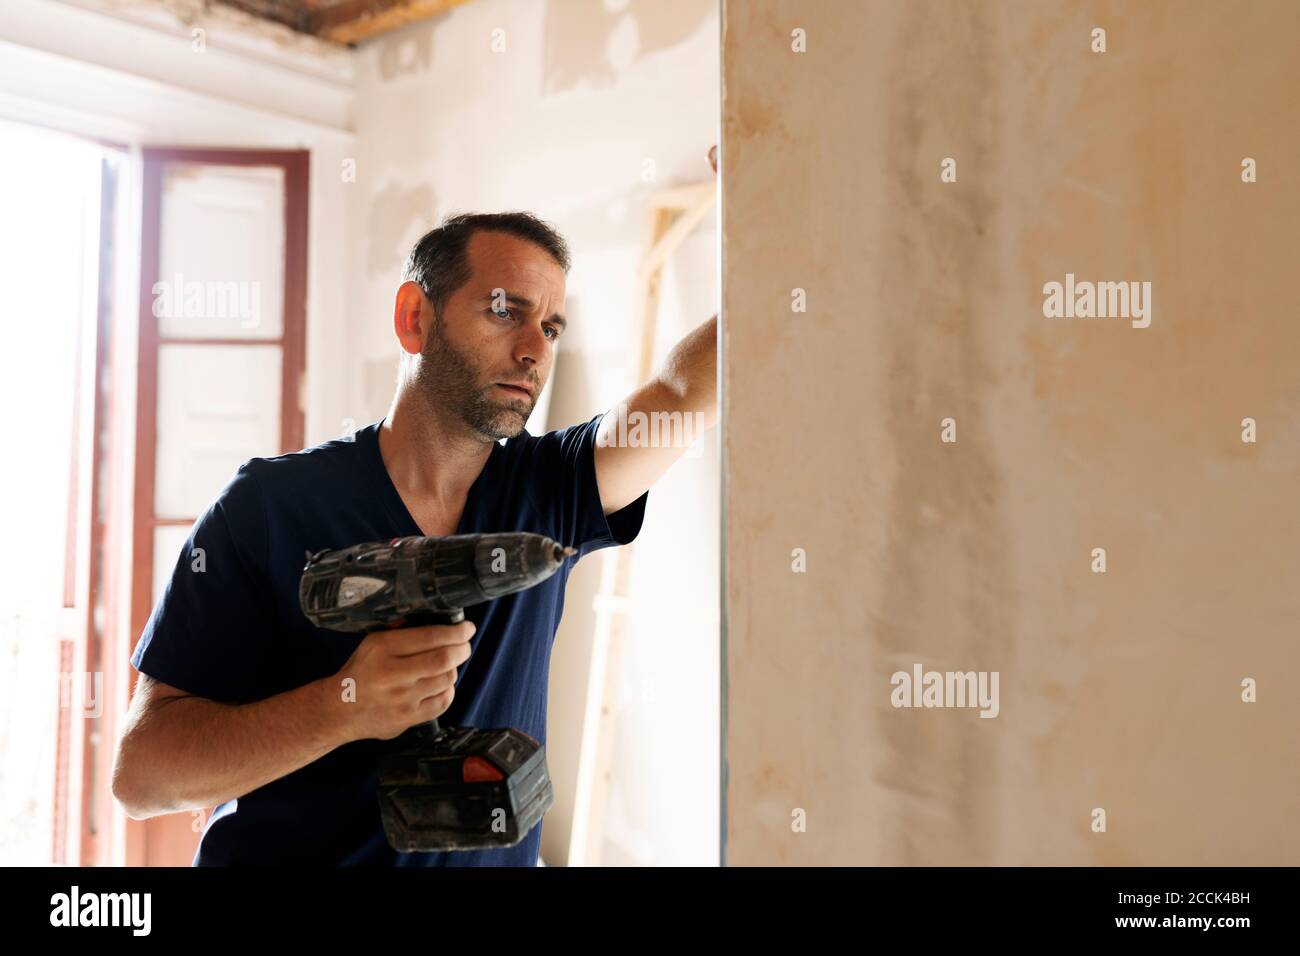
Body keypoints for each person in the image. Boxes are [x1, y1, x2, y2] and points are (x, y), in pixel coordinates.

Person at [112, 191, 718, 865]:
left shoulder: (551, 492)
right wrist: (344, 705)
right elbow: (142, 777)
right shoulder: (268, 508)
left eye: (550, 328)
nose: (532, 352)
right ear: (413, 318)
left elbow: (683, 392)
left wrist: (766, 222)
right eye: (504, 310)